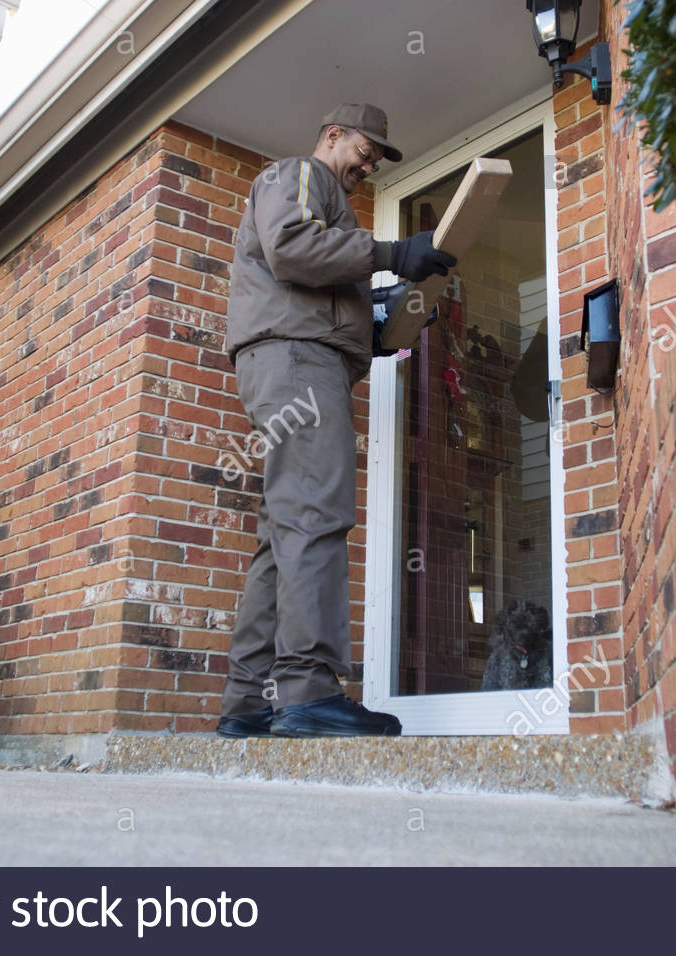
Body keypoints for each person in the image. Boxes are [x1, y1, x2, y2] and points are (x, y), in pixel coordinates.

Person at [217, 103, 456, 738]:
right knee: (317, 515)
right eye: (365, 148)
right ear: (331, 136)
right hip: (297, 367)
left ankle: (250, 701)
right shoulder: (298, 175)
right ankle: (308, 692)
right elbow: (293, 248)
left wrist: (383, 320)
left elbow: (314, 288)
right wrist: (392, 253)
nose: (370, 162)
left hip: (296, 361)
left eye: (378, 157)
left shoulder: (331, 207)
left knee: (286, 532)